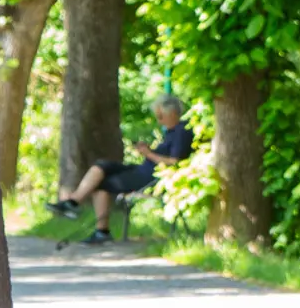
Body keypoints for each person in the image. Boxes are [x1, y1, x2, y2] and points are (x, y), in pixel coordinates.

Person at [46, 94, 196, 244]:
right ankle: (73, 202)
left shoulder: (182, 132)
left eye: (161, 117)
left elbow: (174, 162)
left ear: (173, 114)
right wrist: (149, 151)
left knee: (102, 184)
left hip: (152, 177)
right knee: (102, 165)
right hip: (144, 170)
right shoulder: (171, 132)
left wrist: (148, 153)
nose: (159, 121)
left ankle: (101, 231)